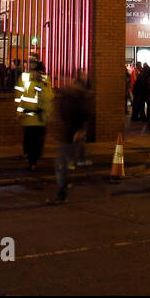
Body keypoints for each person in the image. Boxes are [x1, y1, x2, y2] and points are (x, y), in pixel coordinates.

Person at [49, 71, 91, 204]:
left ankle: (62, 193)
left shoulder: (71, 95)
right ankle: (64, 188)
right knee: (64, 163)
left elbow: (65, 113)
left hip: (70, 134)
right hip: (71, 134)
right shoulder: (76, 95)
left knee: (62, 164)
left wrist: (80, 129)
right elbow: (85, 114)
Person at [15, 58, 52, 170]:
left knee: (38, 140)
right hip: (30, 116)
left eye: (41, 72)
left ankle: (34, 157)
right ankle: (32, 161)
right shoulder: (26, 79)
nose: (39, 74)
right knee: (31, 140)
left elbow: (49, 97)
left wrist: (43, 86)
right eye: (37, 71)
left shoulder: (45, 81)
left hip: (41, 117)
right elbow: (19, 96)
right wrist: (19, 111)